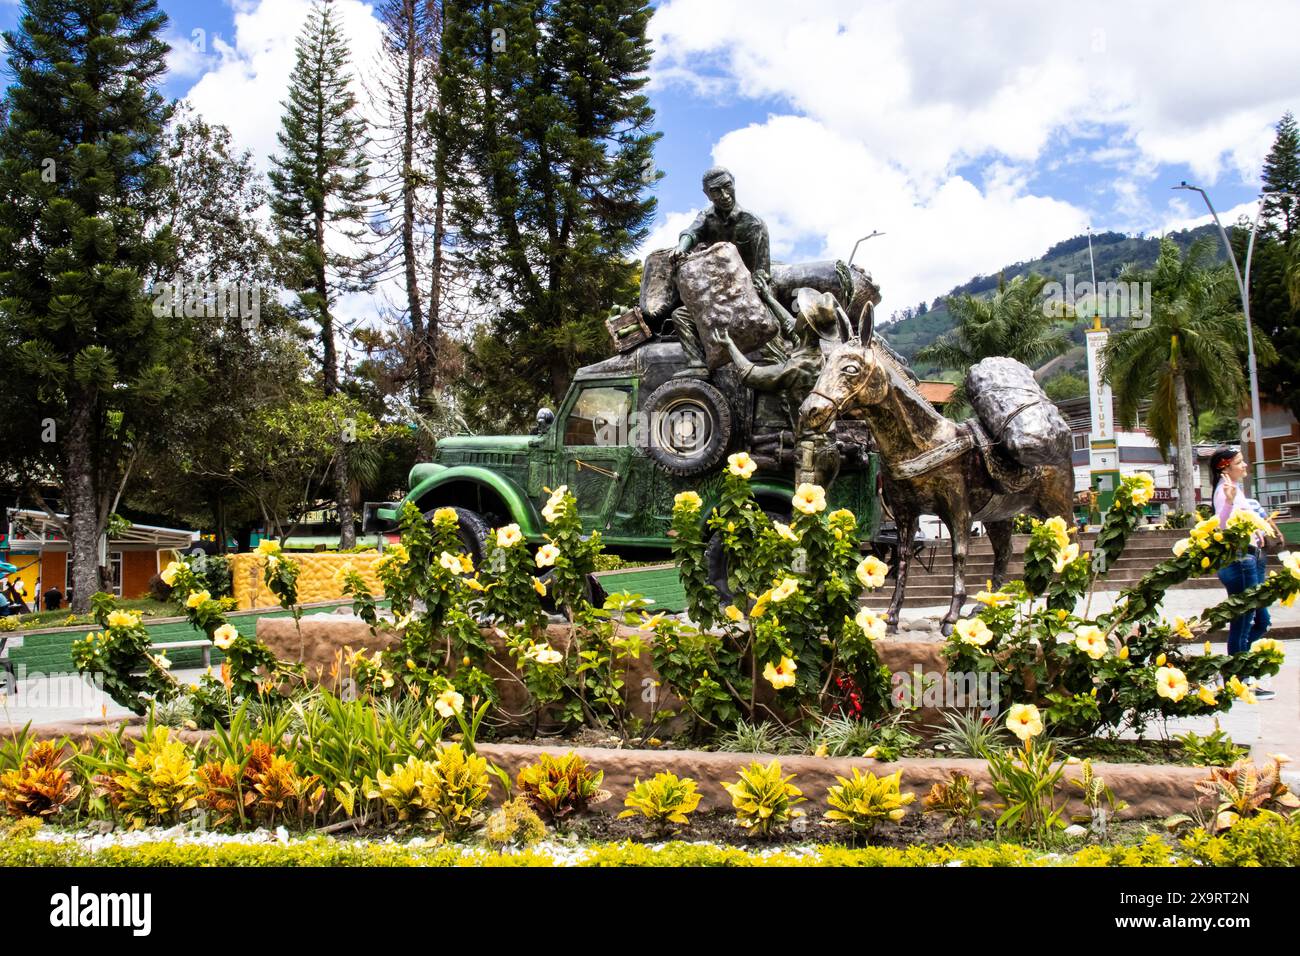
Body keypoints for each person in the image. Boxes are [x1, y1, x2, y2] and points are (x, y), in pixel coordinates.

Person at [669, 166, 770, 378]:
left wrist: (757, 291)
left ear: (733, 185)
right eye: (716, 191)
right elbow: (692, 233)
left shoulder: (754, 223)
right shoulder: (707, 217)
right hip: (716, 296)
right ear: (708, 194)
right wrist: (681, 248)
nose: (724, 195)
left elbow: (762, 271)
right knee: (680, 315)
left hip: (747, 295)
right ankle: (697, 365)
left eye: (727, 187)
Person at [1210, 446, 1277, 697]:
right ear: (1225, 467)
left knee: (1262, 620)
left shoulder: (1237, 491)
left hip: (1253, 559)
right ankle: (1238, 677)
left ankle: (1233, 668)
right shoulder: (1224, 492)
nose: (1245, 466)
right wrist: (1228, 501)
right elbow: (1224, 526)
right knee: (1244, 620)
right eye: (1240, 462)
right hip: (1240, 561)